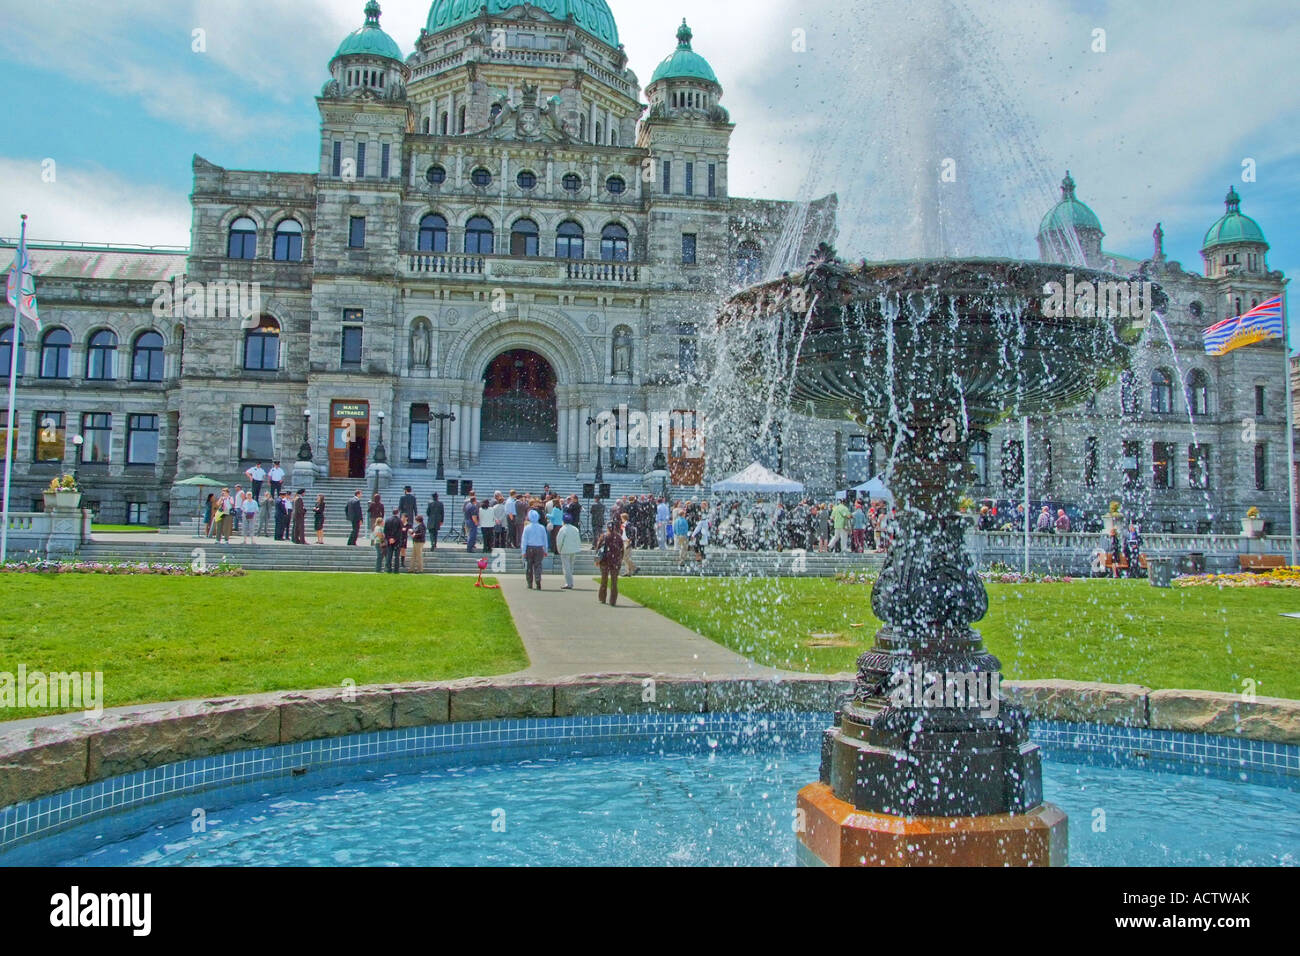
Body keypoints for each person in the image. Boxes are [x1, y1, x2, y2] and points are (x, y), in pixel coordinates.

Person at [597, 518, 625, 606]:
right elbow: (622, 550)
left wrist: (597, 560)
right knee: (614, 582)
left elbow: (598, 549)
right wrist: (620, 559)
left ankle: (602, 597)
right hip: (615, 561)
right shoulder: (619, 537)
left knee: (604, 580)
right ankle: (613, 600)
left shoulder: (604, 536)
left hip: (605, 561)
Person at [520, 508, 548, 590]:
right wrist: (545, 550)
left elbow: (524, 540)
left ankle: (529, 583)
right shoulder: (542, 527)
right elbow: (545, 540)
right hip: (539, 548)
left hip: (529, 548)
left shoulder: (527, 528)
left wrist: (523, 551)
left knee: (529, 566)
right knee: (538, 565)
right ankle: (538, 580)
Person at [556, 516, 581, 590]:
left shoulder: (563, 529)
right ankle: (570, 582)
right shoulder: (575, 529)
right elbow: (578, 540)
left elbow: (559, 541)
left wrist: (559, 549)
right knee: (570, 566)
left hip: (565, 550)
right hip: (573, 550)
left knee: (566, 567)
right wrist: (577, 548)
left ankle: (569, 583)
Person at [384, 509, 404, 573]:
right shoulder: (399, 521)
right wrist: (394, 538)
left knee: (389, 555)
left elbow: (385, 531)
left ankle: (388, 569)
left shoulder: (387, 520)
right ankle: (396, 570)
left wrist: (389, 538)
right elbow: (399, 532)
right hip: (397, 541)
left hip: (389, 541)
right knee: (397, 556)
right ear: (398, 513)